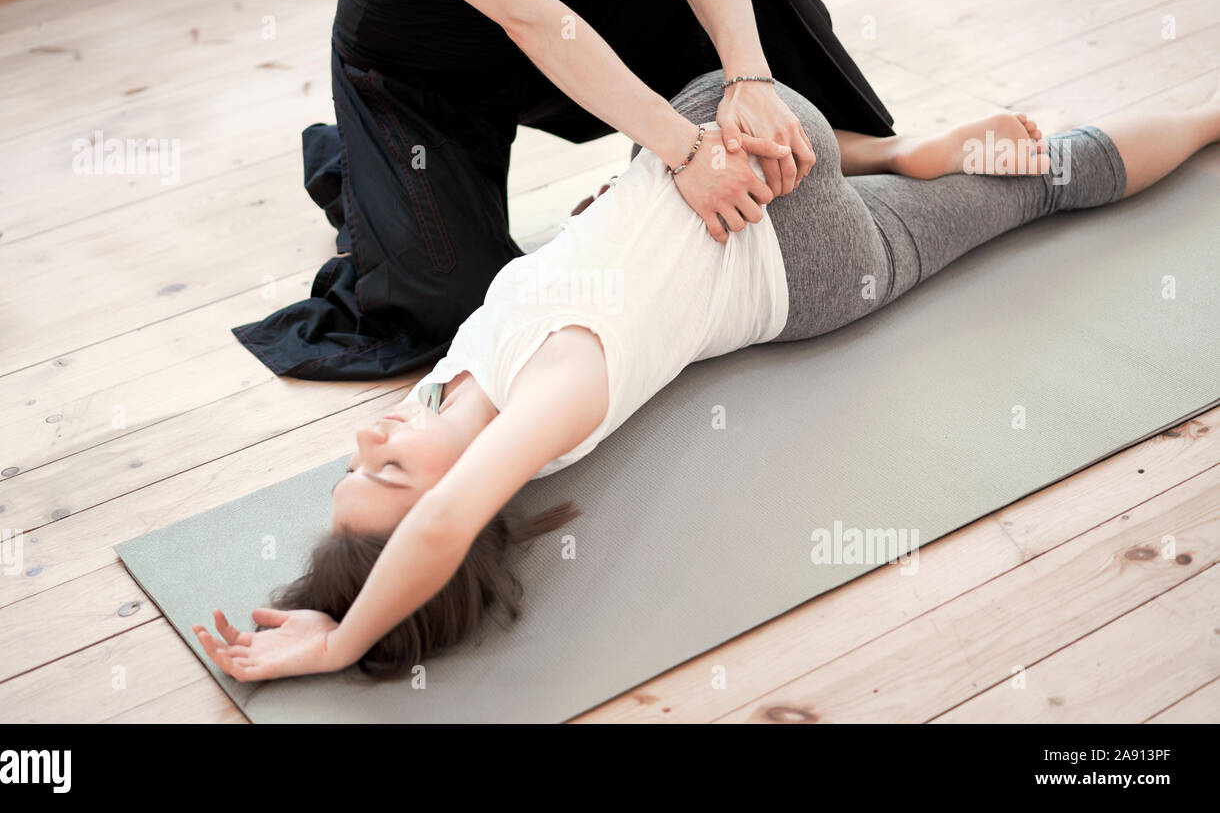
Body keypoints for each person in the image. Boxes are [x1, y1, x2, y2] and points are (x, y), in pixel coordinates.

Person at [194, 69, 1220, 681]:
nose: (371, 436)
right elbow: (440, 526)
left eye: (353, 458)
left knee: (1033, 184)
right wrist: (345, 642)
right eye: (386, 470)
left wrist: (340, 603)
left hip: (725, 146)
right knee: (1033, 184)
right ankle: (1159, 123)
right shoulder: (559, 394)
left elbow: (433, 491)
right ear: (458, 506)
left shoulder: (451, 389)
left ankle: (908, 154)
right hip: (796, 233)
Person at [230, 0, 896, 380]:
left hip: (555, 19)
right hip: (415, 82)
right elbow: (523, 15)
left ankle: (846, 149)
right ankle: (350, 163)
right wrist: (686, 153)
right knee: (459, 311)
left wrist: (747, 77)